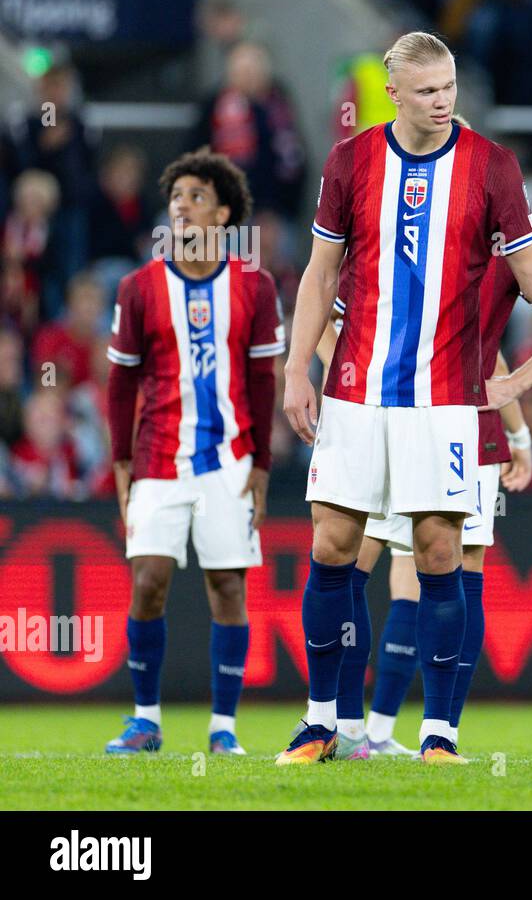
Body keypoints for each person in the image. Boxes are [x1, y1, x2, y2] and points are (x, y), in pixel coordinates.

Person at [279, 32, 532, 766]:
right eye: (426, 90)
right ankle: (320, 725)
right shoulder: (350, 161)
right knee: (332, 547)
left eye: (449, 87)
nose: (442, 102)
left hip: (443, 401)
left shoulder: (493, 167)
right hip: (355, 391)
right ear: (395, 92)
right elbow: (318, 276)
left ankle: (438, 736)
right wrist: (296, 370)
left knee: (439, 553)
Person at [103, 149, 282, 755]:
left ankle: (223, 727)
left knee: (227, 589)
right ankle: (145, 719)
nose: (182, 205)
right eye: (176, 196)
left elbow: (263, 381)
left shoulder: (255, 288)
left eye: (196, 196)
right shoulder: (137, 288)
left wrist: (261, 464)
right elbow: (121, 381)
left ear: (223, 213)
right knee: (148, 579)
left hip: (229, 460)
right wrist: (121, 462)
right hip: (156, 456)